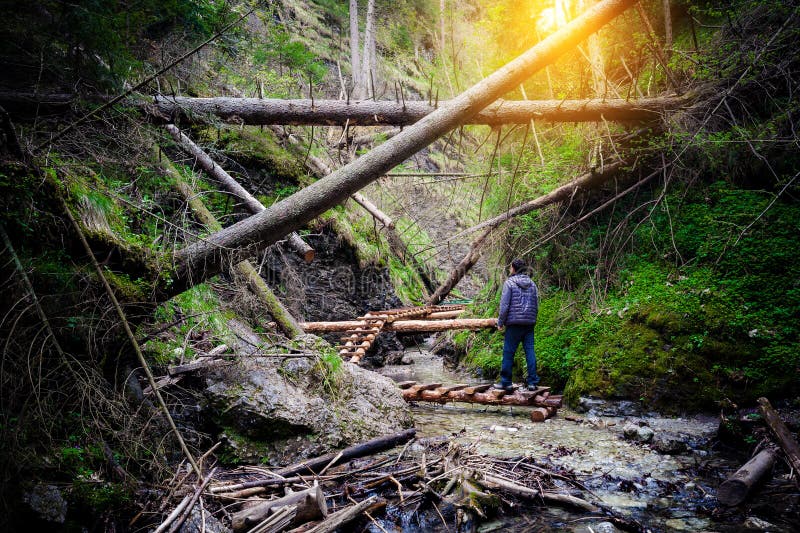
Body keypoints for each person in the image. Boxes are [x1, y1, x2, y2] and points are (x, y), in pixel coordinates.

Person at [494, 258, 539, 391]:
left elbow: (504, 305)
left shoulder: (509, 283)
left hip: (514, 324)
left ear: (513, 269)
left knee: (508, 353)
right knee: (530, 351)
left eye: (510, 267)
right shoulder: (532, 284)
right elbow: (536, 304)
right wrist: (532, 320)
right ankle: (532, 382)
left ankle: (506, 383)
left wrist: (500, 322)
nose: (509, 269)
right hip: (529, 324)